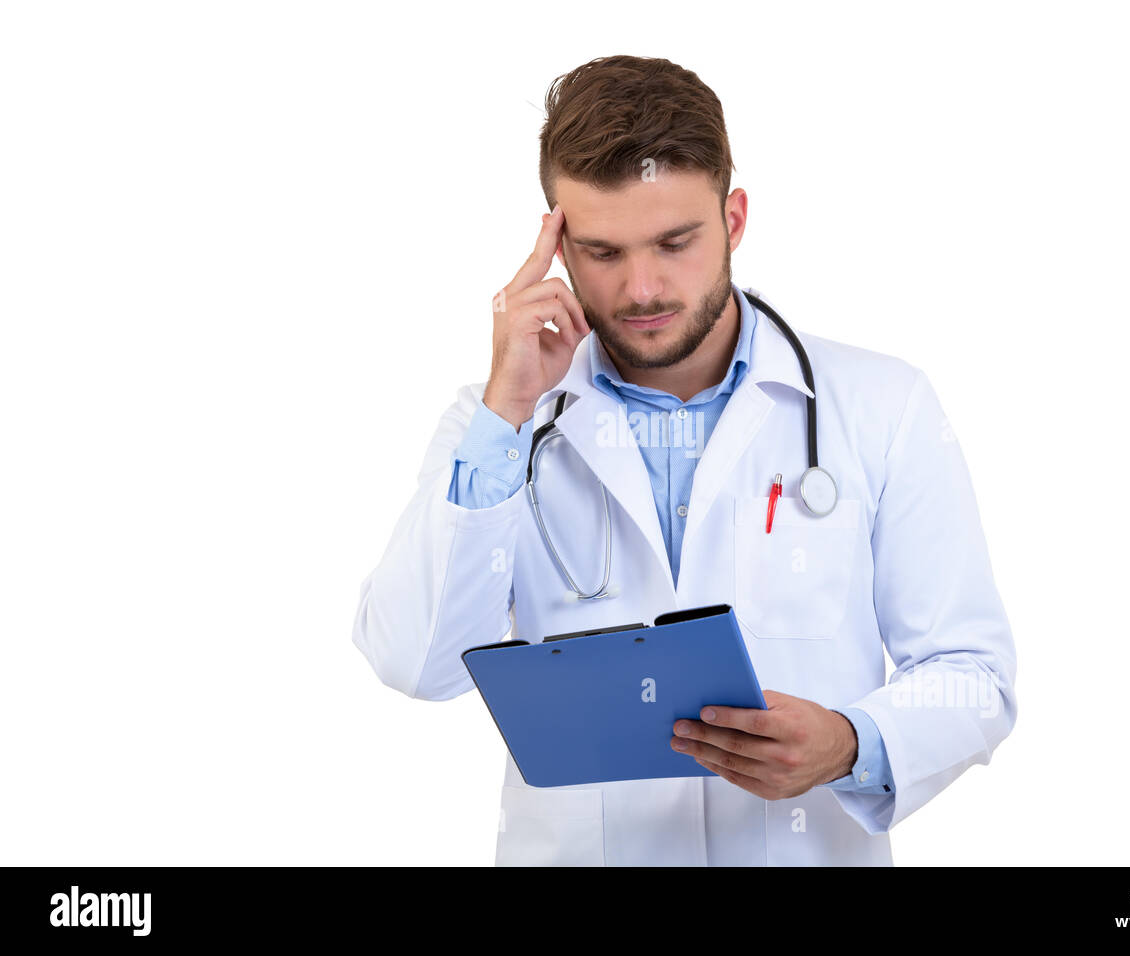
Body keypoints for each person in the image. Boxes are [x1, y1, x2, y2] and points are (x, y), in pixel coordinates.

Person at [352, 54, 1017, 866]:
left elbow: (973, 674)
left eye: (675, 241)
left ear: (734, 219)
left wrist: (851, 742)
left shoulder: (882, 406)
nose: (642, 288)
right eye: (603, 252)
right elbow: (414, 662)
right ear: (556, 244)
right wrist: (507, 410)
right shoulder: (498, 426)